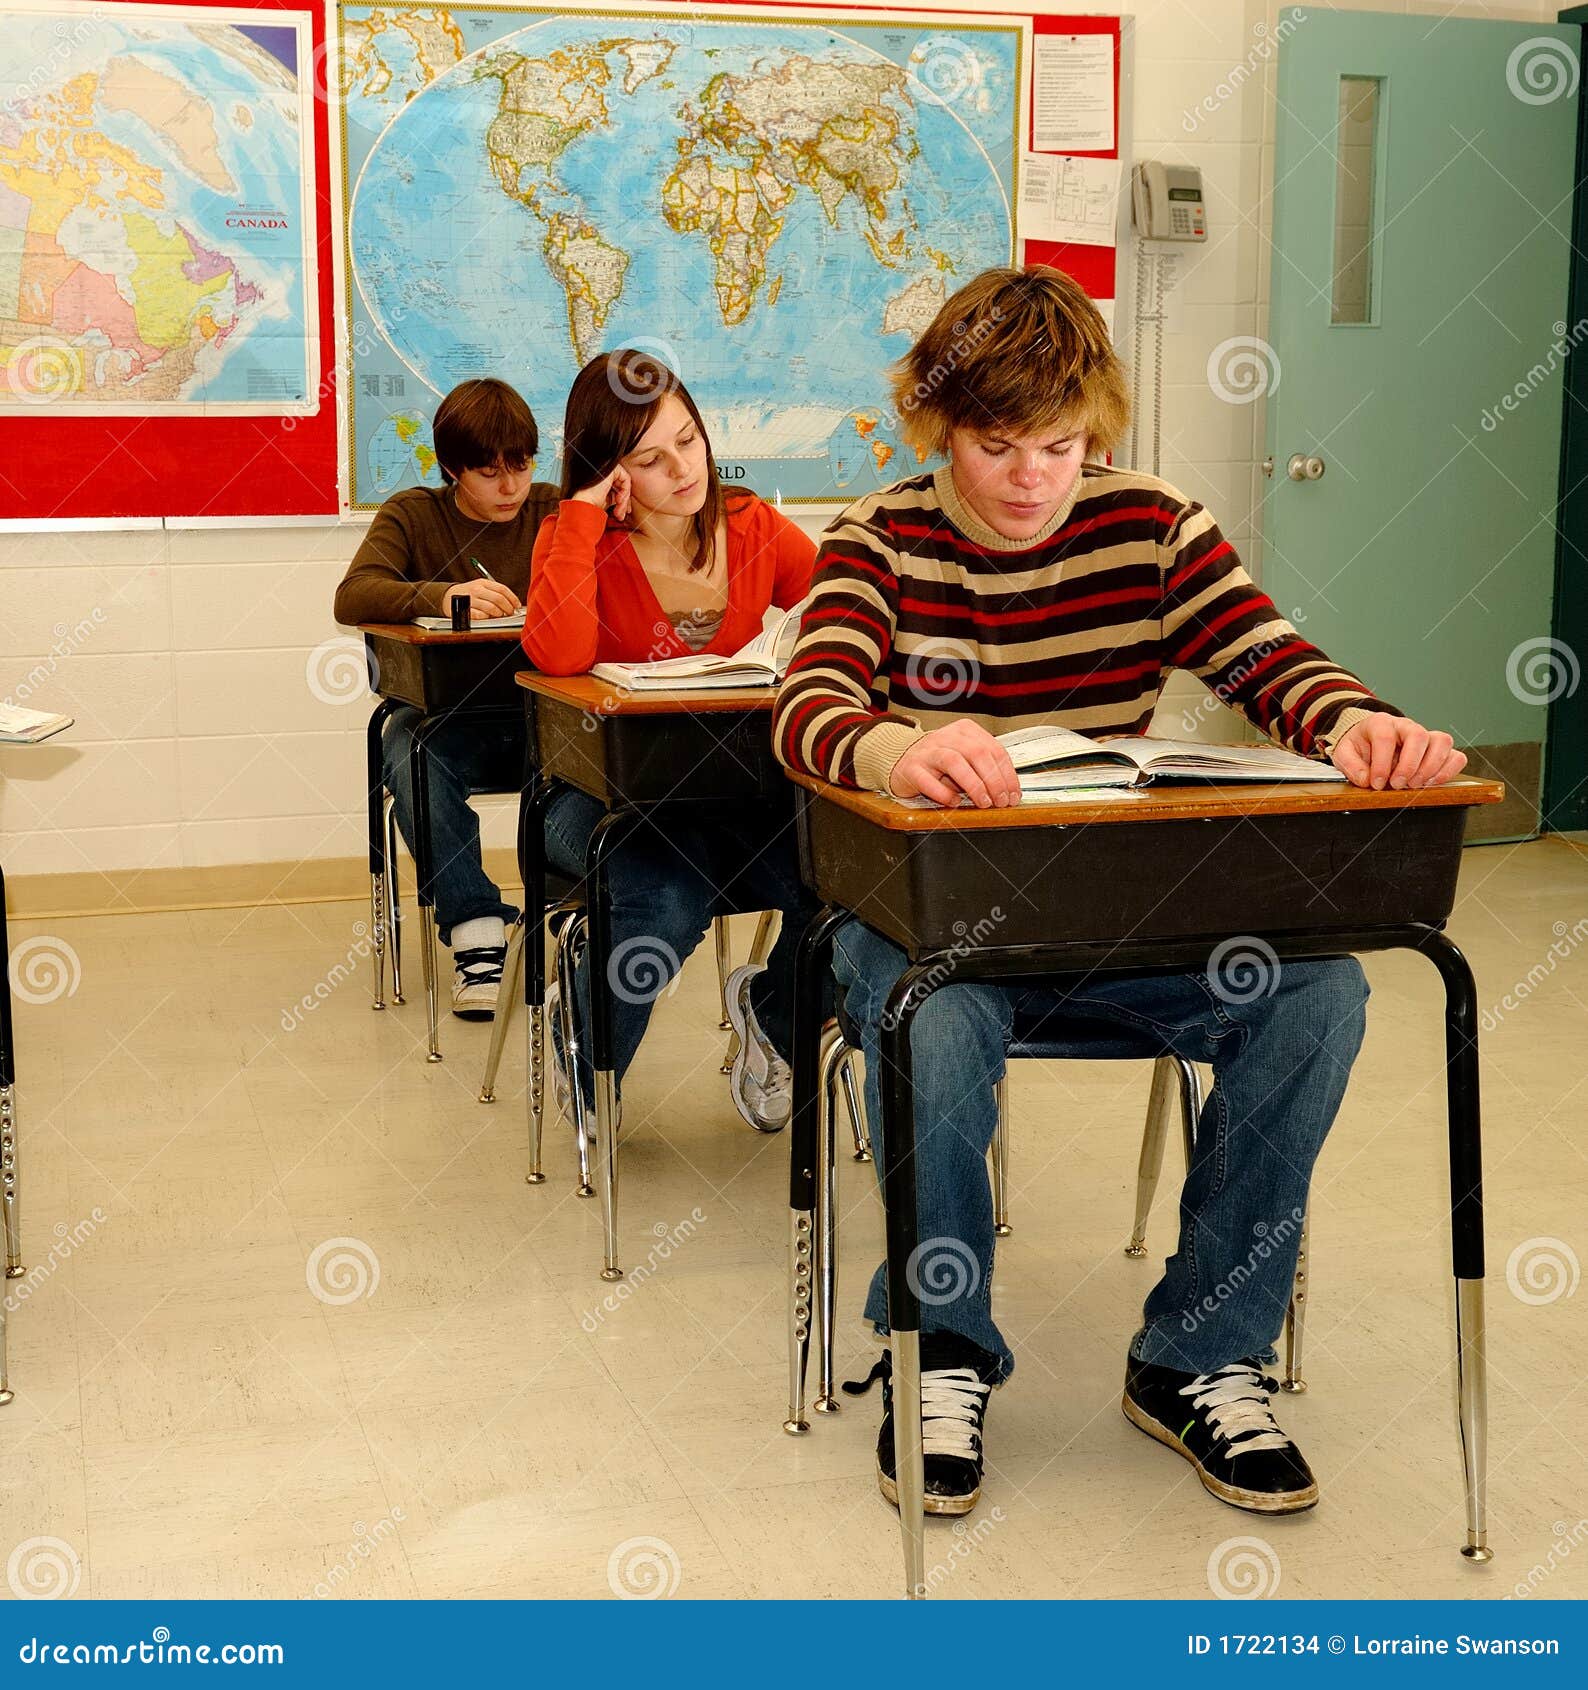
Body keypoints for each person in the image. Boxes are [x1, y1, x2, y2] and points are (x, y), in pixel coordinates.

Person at [772, 264, 1468, 1520]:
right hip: (947, 942)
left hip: (1117, 930)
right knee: (931, 1013)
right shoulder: (876, 536)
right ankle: (941, 1350)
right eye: (998, 447)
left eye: (1063, 443)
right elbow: (807, 701)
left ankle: (1197, 1354)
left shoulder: (1151, 522)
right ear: (936, 428)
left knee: (1317, 991)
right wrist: (893, 746)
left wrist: (1357, 723)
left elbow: (1267, 659)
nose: (1036, 475)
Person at [525, 349, 817, 1129]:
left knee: (851, 886)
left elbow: (844, 618)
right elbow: (556, 656)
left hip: (738, 795)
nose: (684, 469)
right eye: (650, 459)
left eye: (689, 440)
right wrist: (582, 510)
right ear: (609, 472)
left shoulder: (755, 527)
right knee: (665, 901)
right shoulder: (574, 539)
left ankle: (775, 1017)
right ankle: (588, 1046)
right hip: (604, 802)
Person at [335, 378, 559, 1016]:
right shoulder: (414, 514)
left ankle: (574, 932)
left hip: (555, 719)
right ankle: (477, 931)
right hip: (459, 725)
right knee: (405, 739)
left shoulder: (556, 508)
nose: (511, 488)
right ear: (452, 469)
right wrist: (439, 596)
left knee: (608, 751)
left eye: (520, 467)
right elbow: (352, 596)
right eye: (490, 474)